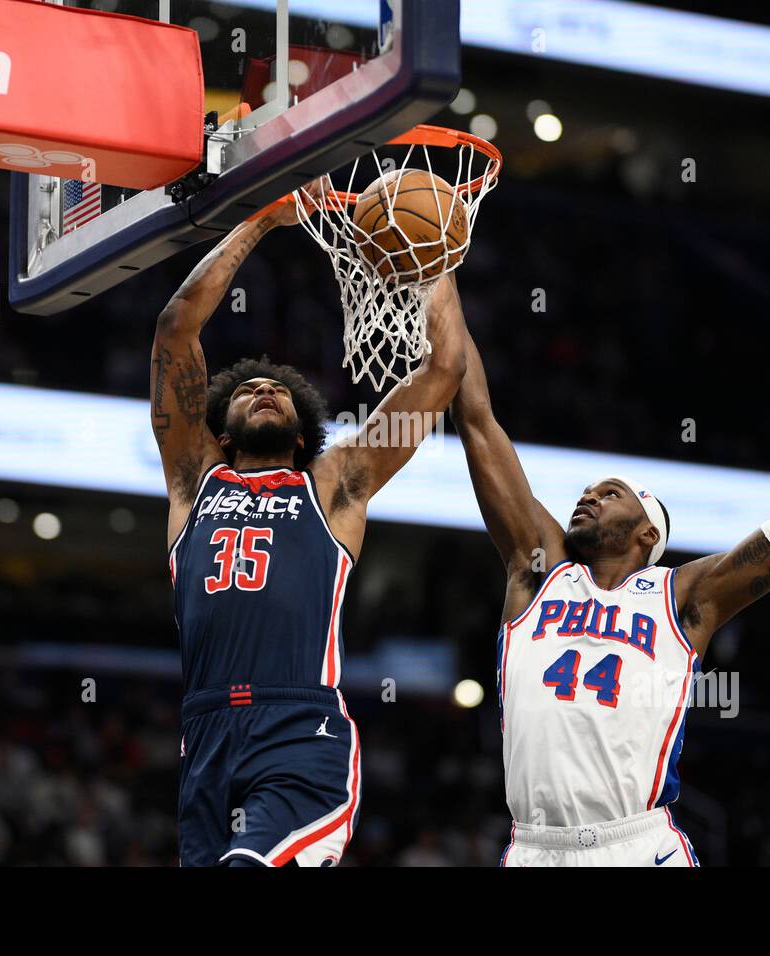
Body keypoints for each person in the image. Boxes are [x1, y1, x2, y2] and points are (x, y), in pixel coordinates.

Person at [448, 284, 770, 866]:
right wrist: (437, 274)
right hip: (533, 849)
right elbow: (476, 419)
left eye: (611, 493)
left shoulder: (684, 597)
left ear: (649, 535)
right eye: (587, 490)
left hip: (636, 846)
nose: (589, 496)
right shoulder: (536, 568)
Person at [151, 200, 467, 866]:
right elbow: (177, 328)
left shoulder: (333, 484)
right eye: (248, 389)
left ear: (301, 433)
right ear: (222, 431)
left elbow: (444, 370)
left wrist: (435, 254)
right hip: (205, 734)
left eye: (280, 390)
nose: (265, 388)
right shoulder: (192, 481)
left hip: (300, 727)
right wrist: (262, 220)